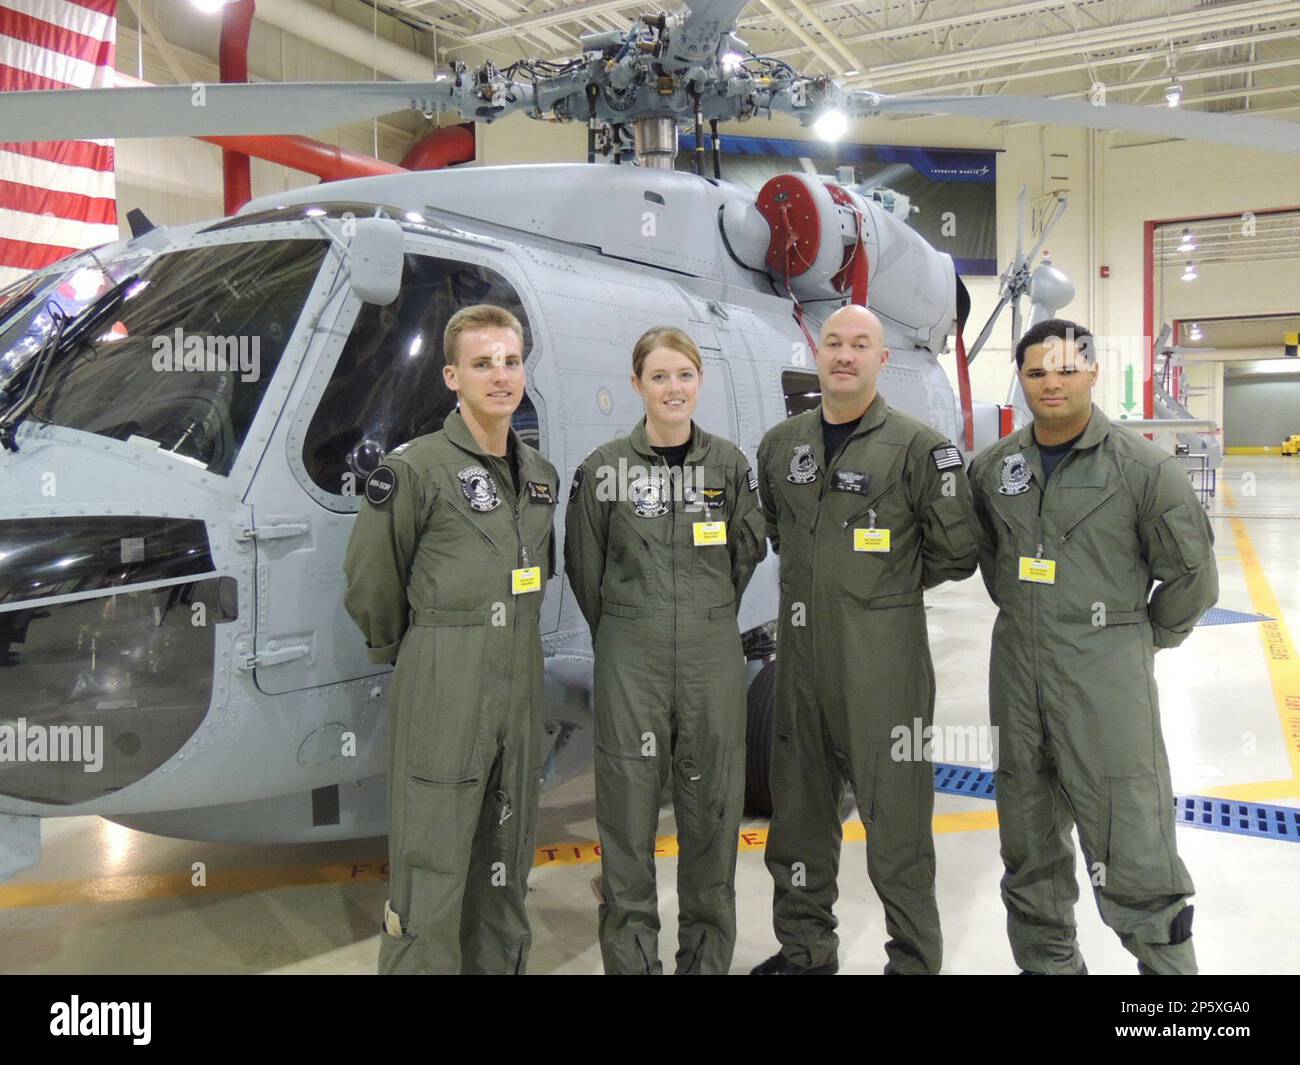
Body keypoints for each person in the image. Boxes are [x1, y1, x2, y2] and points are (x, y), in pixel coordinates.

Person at [967, 318, 1218, 975]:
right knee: (1028, 845)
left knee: (1132, 841)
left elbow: (1194, 576)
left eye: (1066, 367)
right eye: (1037, 371)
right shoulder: (995, 468)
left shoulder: (1142, 469)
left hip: (1106, 684)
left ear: (1093, 371)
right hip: (1018, 676)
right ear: (1021, 379)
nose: (1053, 381)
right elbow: (993, 558)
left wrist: (1138, 639)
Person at [751, 304, 979, 975]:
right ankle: (805, 950)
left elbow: (956, 552)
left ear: (883, 360)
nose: (844, 355)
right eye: (833, 343)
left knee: (898, 826)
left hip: (885, 667)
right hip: (799, 665)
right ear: (816, 354)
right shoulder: (781, 445)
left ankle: (912, 962)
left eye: (860, 345)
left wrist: (880, 588)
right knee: (796, 817)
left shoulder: (919, 449)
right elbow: (775, 531)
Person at [343, 304, 559, 975]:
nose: (500, 375)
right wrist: (415, 652)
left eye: (511, 360)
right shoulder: (415, 471)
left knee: (506, 853)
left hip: (519, 680)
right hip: (444, 675)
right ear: (451, 376)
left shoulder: (541, 476)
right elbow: (370, 579)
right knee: (431, 864)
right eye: (482, 363)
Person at [564, 325, 768, 974]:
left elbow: (745, 555)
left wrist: (702, 617)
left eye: (684, 374)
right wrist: (634, 624)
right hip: (631, 658)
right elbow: (583, 567)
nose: (673, 387)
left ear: (699, 381)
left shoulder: (730, 467)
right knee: (626, 827)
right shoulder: (602, 471)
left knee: (711, 822)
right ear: (636, 385)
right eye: (659, 376)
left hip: (712, 657)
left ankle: (704, 964)